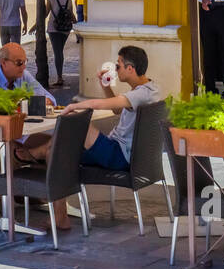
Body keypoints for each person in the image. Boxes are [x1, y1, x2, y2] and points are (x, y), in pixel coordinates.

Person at [56, 46, 166, 228]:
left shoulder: (141, 94)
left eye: (118, 66)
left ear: (130, 69)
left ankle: (57, 212)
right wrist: (106, 86)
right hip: (130, 155)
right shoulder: (151, 89)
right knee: (57, 149)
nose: (116, 70)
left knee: (73, 131)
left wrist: (75, 106)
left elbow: (105, 105)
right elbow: (117, 109)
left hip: (119, 155)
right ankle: (35, 159)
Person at [0, 43, 56, 157]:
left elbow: (49, 98)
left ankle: (35, 160)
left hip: (16, 132)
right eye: (19, 63)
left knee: (53, 144)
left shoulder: (23, 75)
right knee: (12, 147)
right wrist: (29, 103)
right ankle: (31, 156)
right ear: (3, 62)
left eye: (25, 62)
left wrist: (45, 100)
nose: (23, 67)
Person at [46, 0, 74, 88]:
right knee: (59, 51)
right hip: (66, 29)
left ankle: (59, 78)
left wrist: (36, 25)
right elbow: (72, 15)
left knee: (58, 52)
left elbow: (46, 12)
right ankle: (59, 76)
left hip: (54, 28)